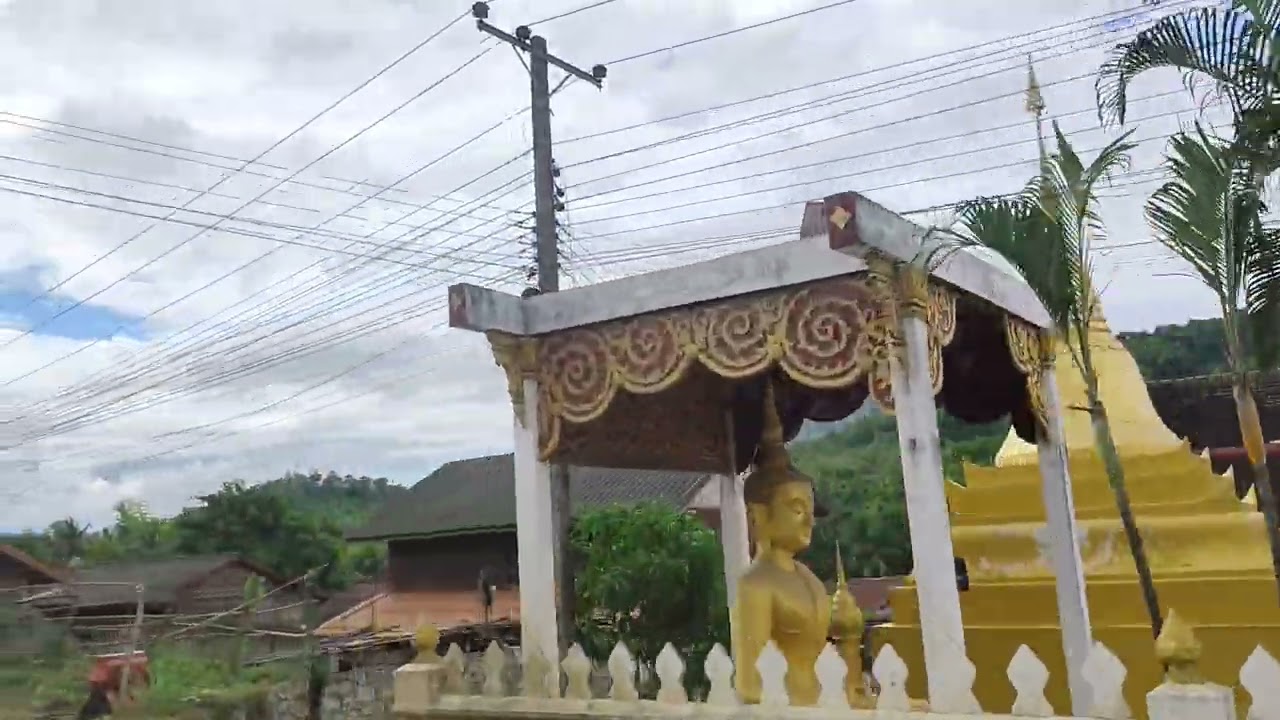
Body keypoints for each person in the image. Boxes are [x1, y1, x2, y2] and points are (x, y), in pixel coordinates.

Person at [732, 379, 867, 707]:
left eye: (809, 509)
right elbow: (750, 683)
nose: (808, 520)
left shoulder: (806, 578)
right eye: (795, 508)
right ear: (758, 517)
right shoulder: (756, 585)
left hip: (825, 703)